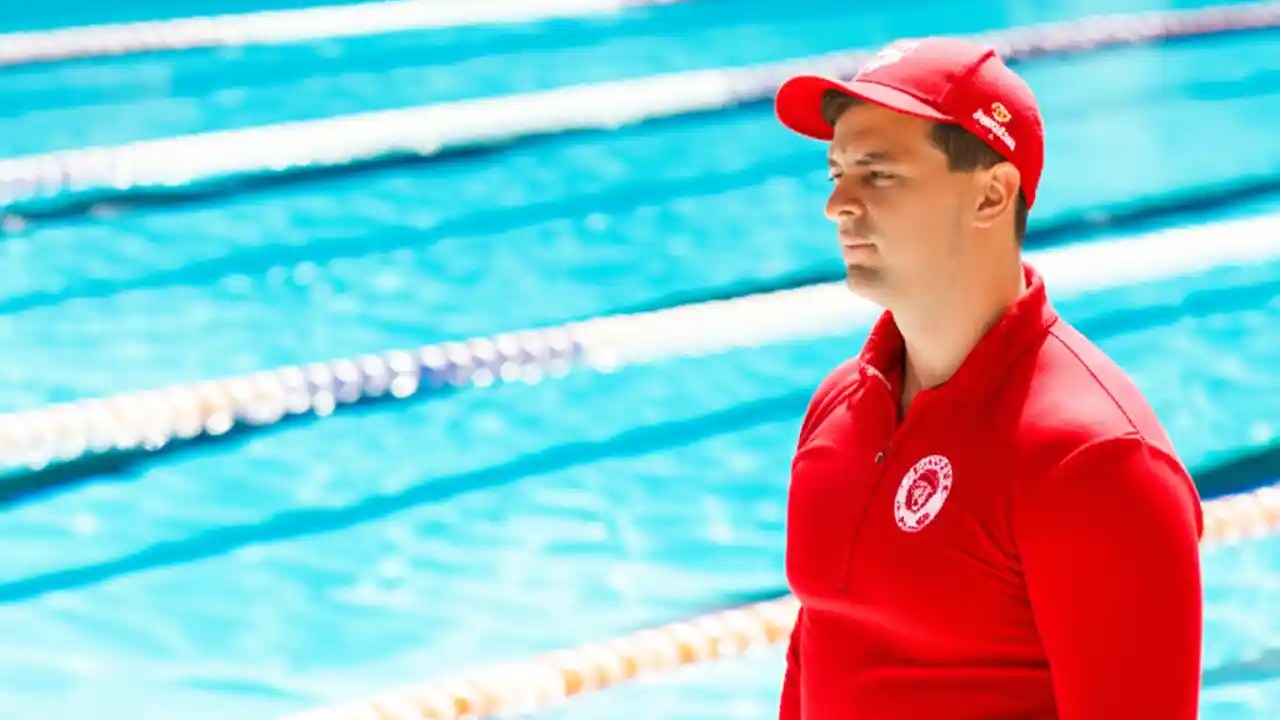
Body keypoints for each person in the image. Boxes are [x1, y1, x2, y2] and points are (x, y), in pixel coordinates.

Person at [772, 36, 1204, 719]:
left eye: (878, 174)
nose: (839, 205)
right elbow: (816, 654)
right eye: (836, 175)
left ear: (991, 196)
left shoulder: (1092, 462)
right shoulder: (839, 406)